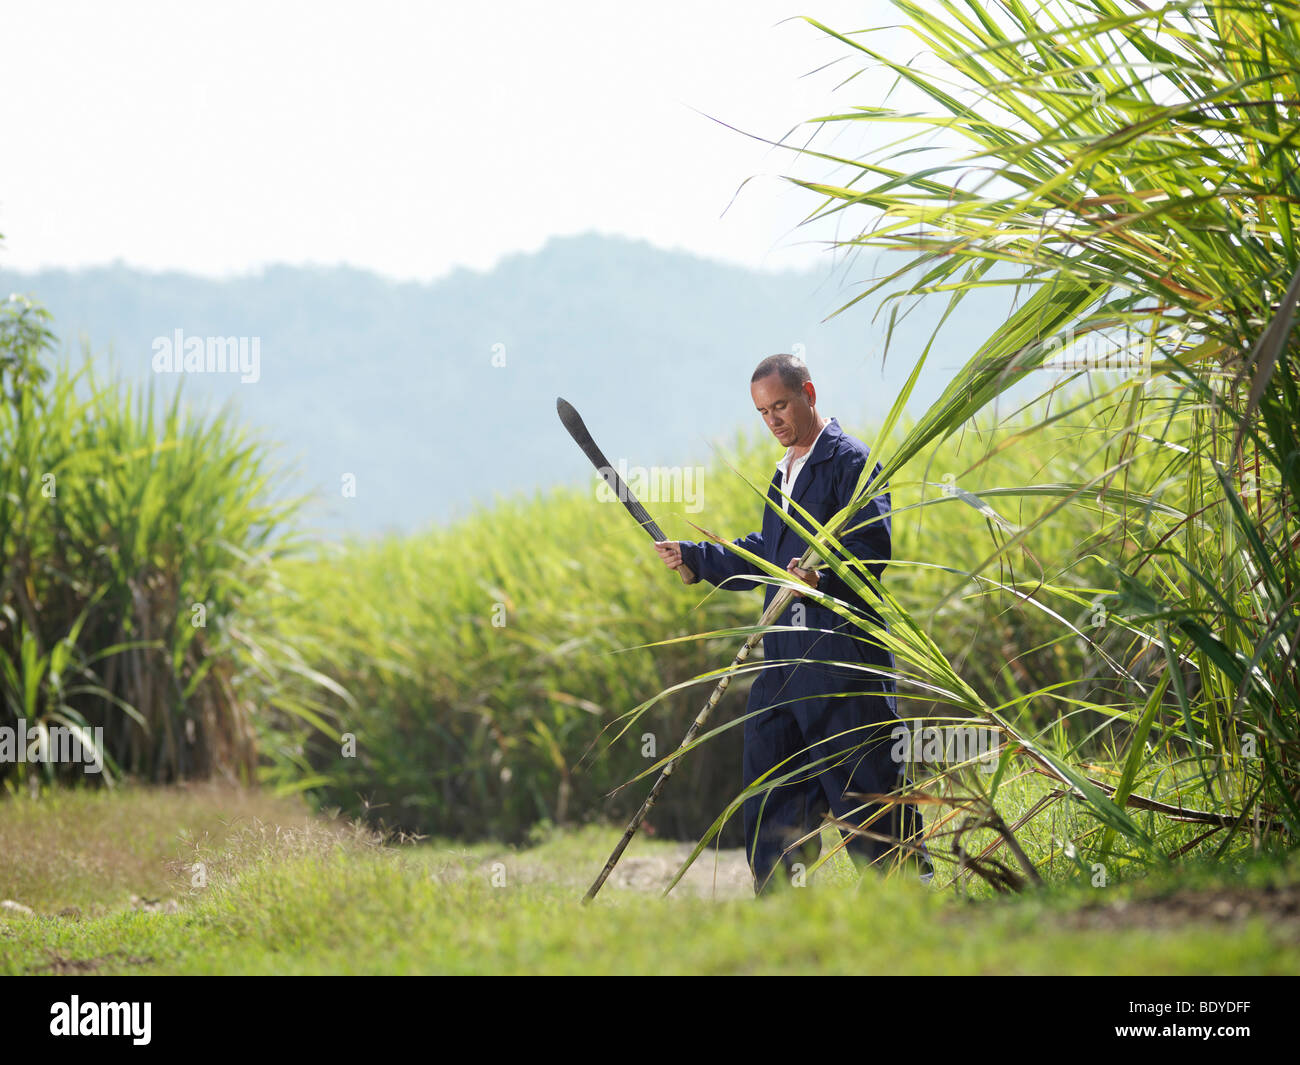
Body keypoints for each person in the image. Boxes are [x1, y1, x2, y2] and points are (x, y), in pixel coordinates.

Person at [654, 353, 930, 894]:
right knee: (773, 786)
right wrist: (697, 560)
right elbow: (768, 553)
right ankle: (781, 906)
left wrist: (820, 575)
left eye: (780, 405)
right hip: (780, 663)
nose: (773, 420)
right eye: (762, 412)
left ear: (808, 393)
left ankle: (906, 899)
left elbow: (873, 544)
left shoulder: (848, 460)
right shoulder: (784, 473)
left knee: (863, 785)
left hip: (841, 659)